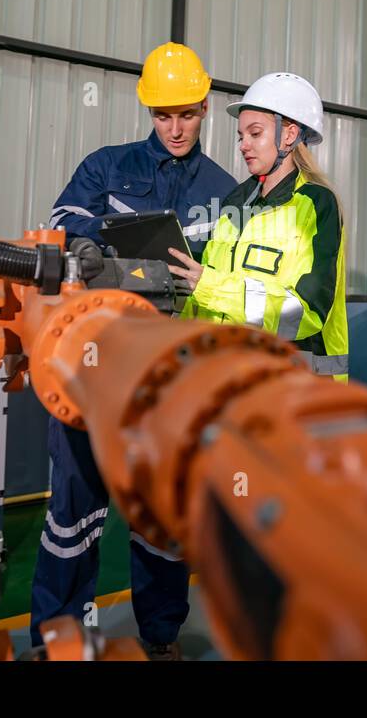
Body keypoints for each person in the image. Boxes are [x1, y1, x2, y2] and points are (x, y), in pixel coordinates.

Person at [31, 42, 236, 660]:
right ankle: (58, 637)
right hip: (91, 370)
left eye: (187, 115)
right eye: (163, 115)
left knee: (162, 516)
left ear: (205, 108)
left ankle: (161, 637)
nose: (175, 129)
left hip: (171, 375)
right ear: (149, 111)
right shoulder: (105, 168)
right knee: (73, 513)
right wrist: (101, 245)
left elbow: (230, 279)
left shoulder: (226, 191)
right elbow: (61, 222)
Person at [168, 72, 349, 383]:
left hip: (296, 387)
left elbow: (304, 313)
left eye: (255, 133)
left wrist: (209, 286)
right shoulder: (235, 201)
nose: (243, 145)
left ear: (289, 135)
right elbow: (206, 293)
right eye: (241, 136)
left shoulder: (316, 204)